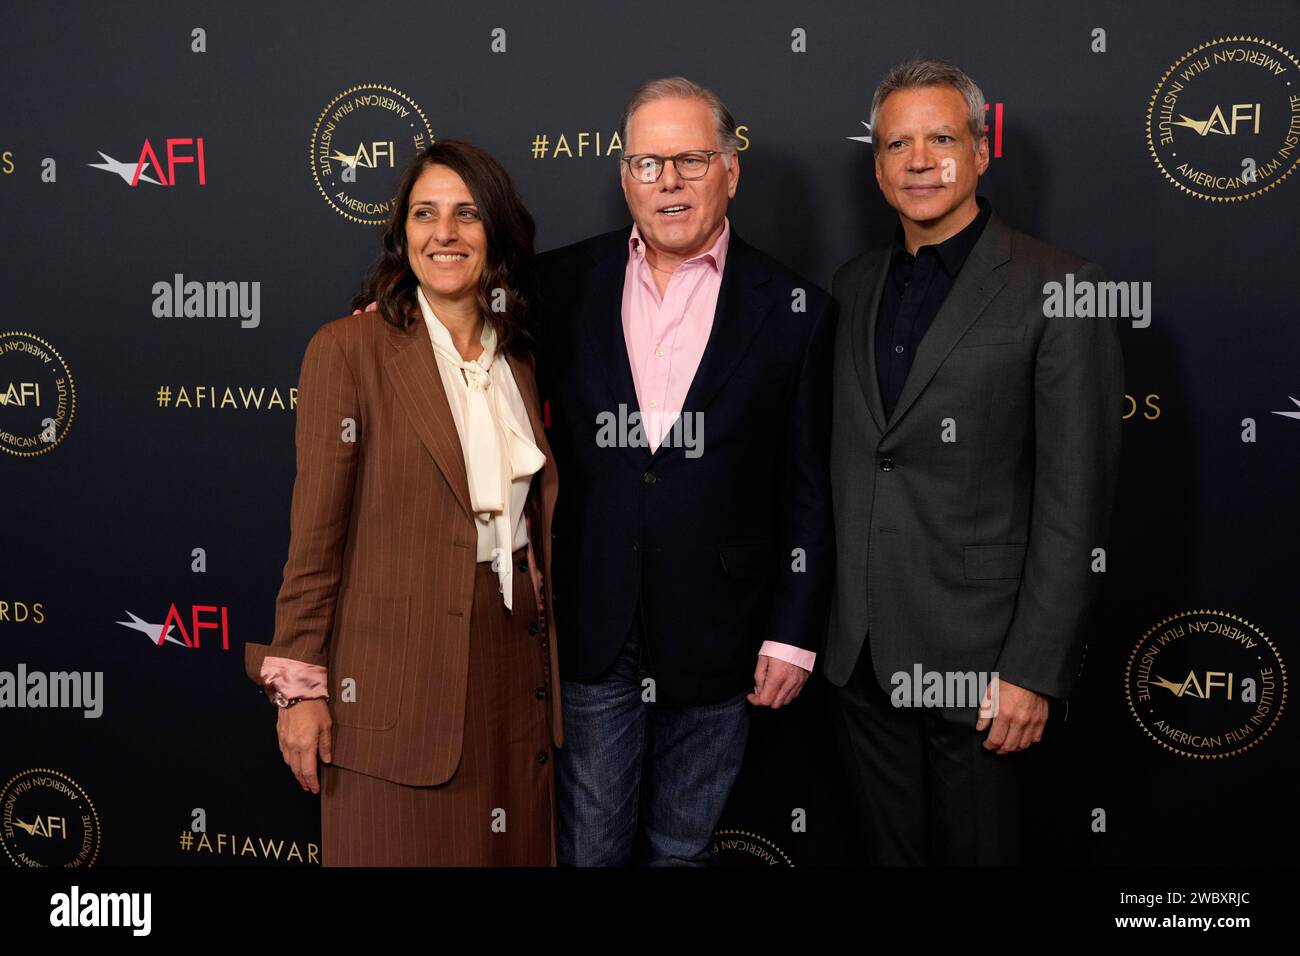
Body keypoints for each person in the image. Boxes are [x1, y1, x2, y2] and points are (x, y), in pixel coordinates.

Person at [824, 58, 1123, 864]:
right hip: (861, 661)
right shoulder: (849, 288)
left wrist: (1035, 670)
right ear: (878, 163)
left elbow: (1076, 498)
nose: (920, 160)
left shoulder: (1059, 287)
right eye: (897, 144)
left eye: (942, 138)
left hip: (985, 670)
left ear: (982, 150)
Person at [534, 77, 836, 866]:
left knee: (682, 850)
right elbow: (451, 316)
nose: (667, 181)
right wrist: (385, 313)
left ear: (731, 170)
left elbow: (808, 484)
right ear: (624, 176)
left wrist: (794, 634)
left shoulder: (797, 308)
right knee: (590, 850)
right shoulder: (556, 285)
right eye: (646, 162)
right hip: (593, 618)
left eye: (691, 160)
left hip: (722, 632)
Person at [243, 140, 562, 866]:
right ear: (403, 233)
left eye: (466, 215)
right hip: (394, 687)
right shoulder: (348, 350)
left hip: (514, 679)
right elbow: (315, 539)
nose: (443, 233)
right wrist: (298, 691)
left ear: (498, 233)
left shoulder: (519, 357)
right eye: (425, 214)